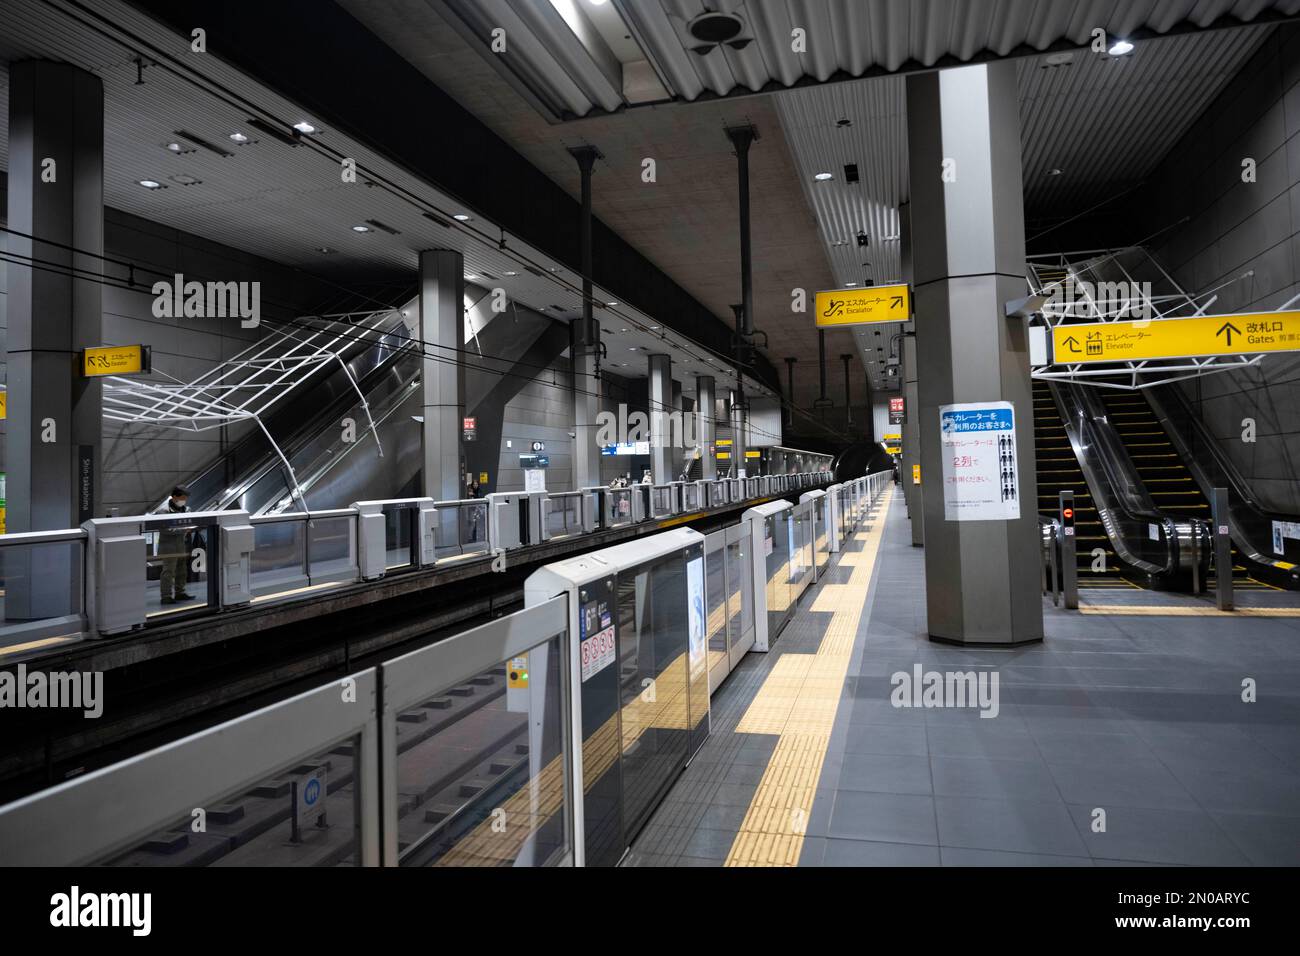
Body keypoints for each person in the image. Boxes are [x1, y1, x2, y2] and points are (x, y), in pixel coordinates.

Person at [157, 485, 193, 605]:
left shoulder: (186, 509)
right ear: (174, 497)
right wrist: (184, 529)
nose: (184, 501)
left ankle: (180, 592)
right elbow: (165, 530)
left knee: (182, 570)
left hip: (181, 544)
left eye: (185, 498)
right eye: (182, 498)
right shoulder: (163, 511)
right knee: (168, 571)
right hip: (169, 547)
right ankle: (166, 596)